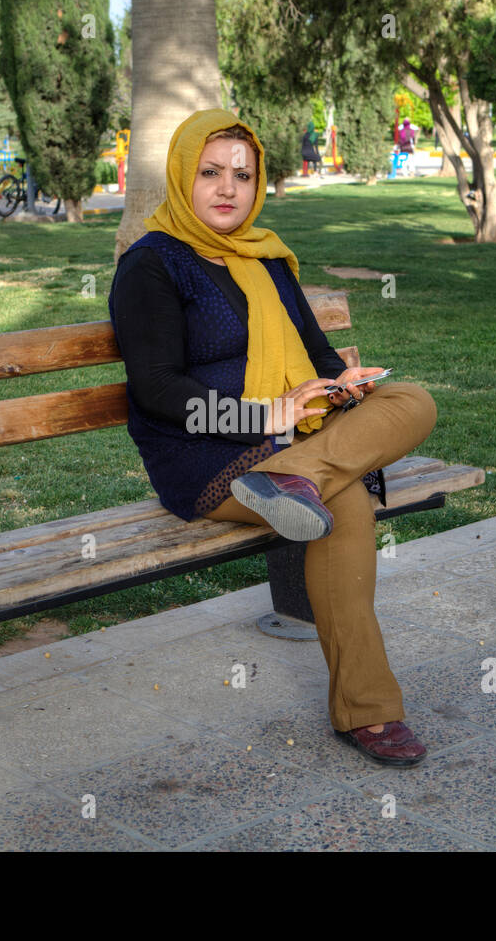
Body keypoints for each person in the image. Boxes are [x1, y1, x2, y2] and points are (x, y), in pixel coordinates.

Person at [107, 110, 439, 768]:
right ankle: (367, 711)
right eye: (210, 172)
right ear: (183, 175)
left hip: (298, 442)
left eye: (242, 174)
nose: (227, 187)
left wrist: (346, 385)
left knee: (413, 399)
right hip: (206, 451)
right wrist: (262, 418)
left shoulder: (267, 257)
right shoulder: (152, 266)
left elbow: (317, 355)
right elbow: (158, 391)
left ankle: (300, 478)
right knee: (345, 507)